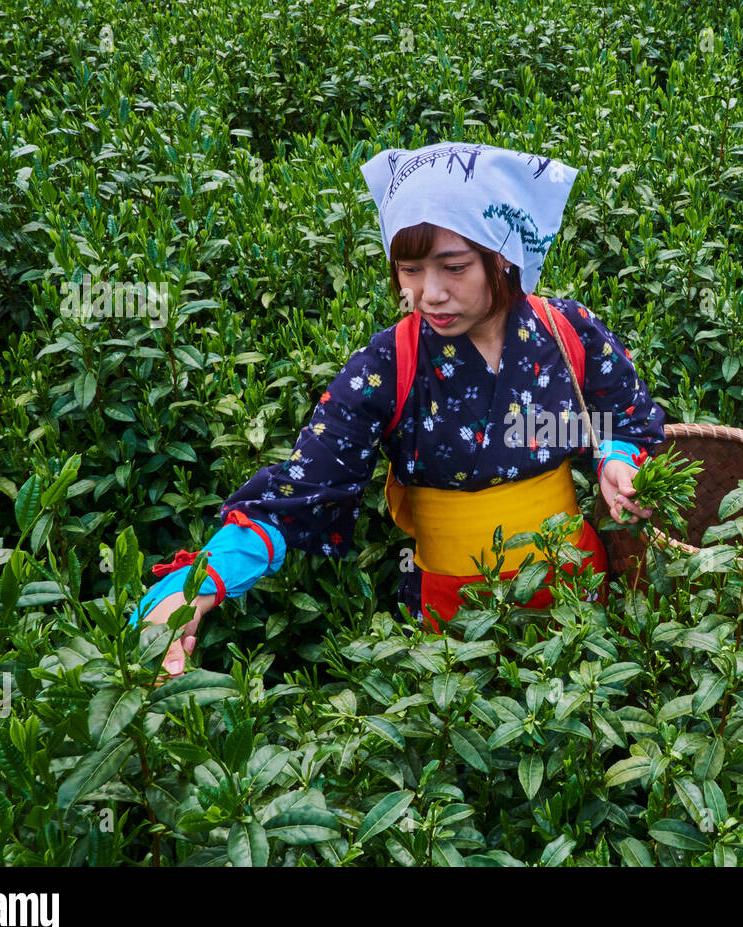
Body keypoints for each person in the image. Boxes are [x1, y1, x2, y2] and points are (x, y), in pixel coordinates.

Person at [129, 142, 666, 679]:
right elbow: (298, 491)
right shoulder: (388, 363)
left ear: (501, 257)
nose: (428, 294)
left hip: (579, 595)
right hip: (451, 618)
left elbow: (628, 415)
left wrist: (617, 458)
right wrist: (191, 589)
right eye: (409, 269)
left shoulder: (565, 329)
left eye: (453, 267)